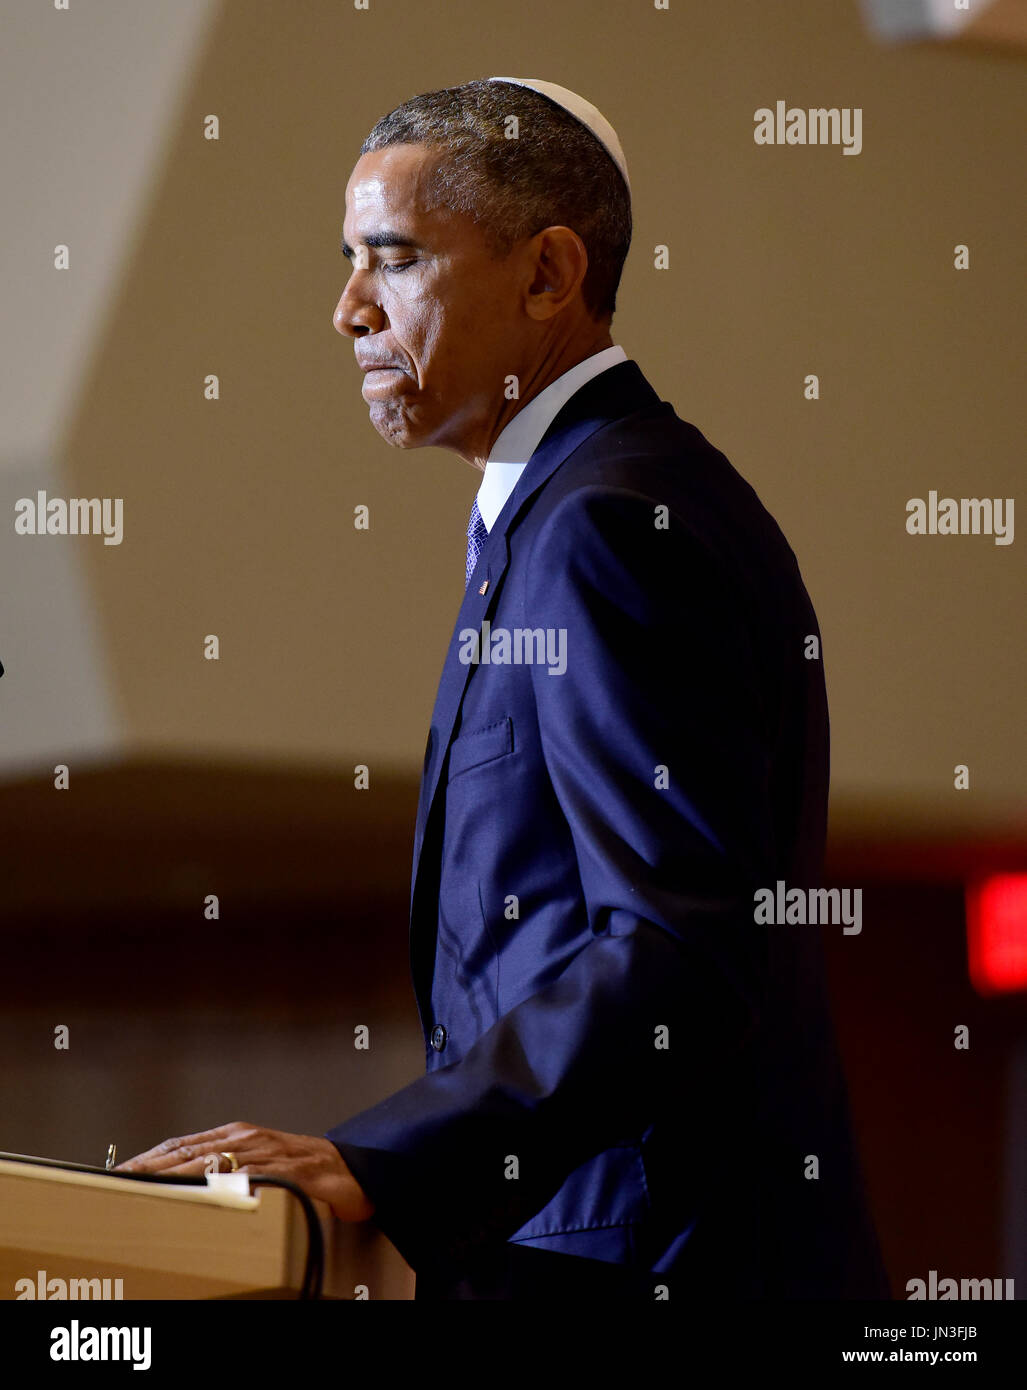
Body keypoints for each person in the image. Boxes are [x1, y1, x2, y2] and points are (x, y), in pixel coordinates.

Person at [119, 77, 890, 1302]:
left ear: (546, 276)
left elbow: (675, 949)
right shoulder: (574, 508)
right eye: (347, 262)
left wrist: (376, 1159)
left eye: (397, 259)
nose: (347, 309)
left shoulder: (606, 522)